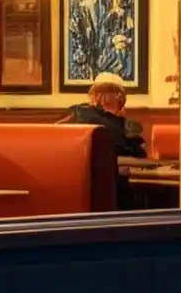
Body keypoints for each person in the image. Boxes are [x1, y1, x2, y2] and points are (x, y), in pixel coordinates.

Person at [59, 72, 144, 210]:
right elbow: (135, 153)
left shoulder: (75, 114)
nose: (103, 98)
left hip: (71, 185)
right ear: (120, 98)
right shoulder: (116, 126)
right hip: (106, 190)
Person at [59, 72, 146, 158]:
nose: (103, 97)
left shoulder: (79, 111)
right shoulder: (81, 112)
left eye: (108, 92)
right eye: (100, 92)